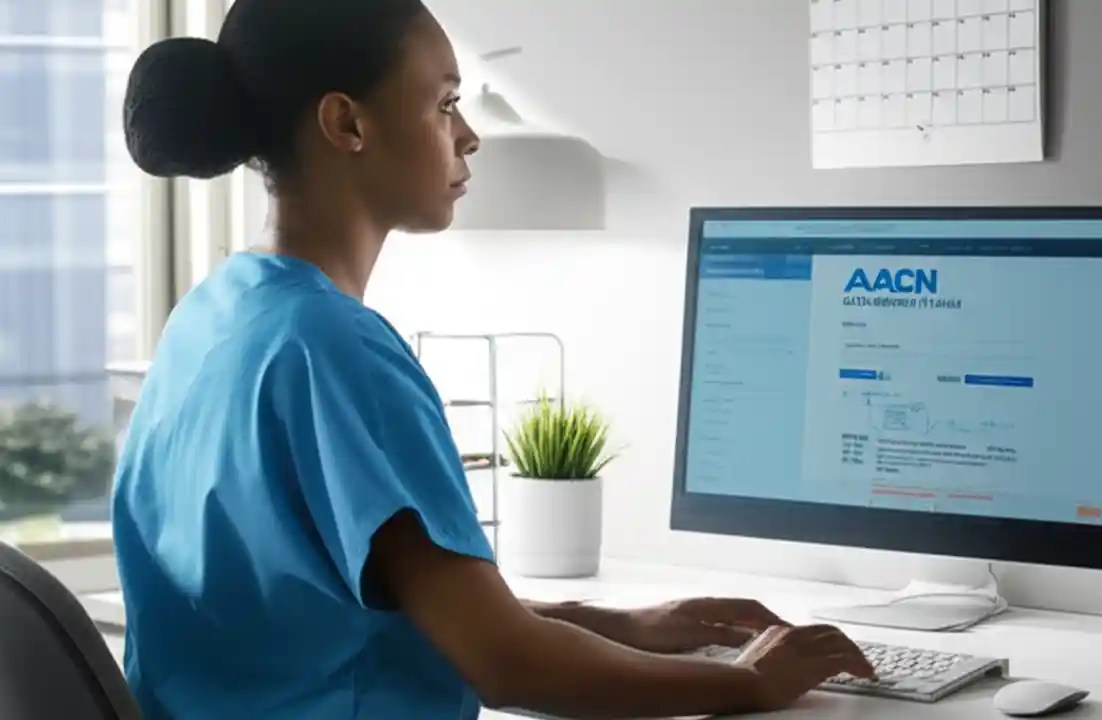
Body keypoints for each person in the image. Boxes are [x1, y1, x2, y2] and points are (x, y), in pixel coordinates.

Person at [112, 0, 876, 717]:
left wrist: (624, 624)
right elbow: (509, 664)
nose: (469, 134)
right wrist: (750, 682)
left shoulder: (211, 315)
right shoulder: (334, 350)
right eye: (445, 103)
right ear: (347, 123)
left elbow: (414, 612)